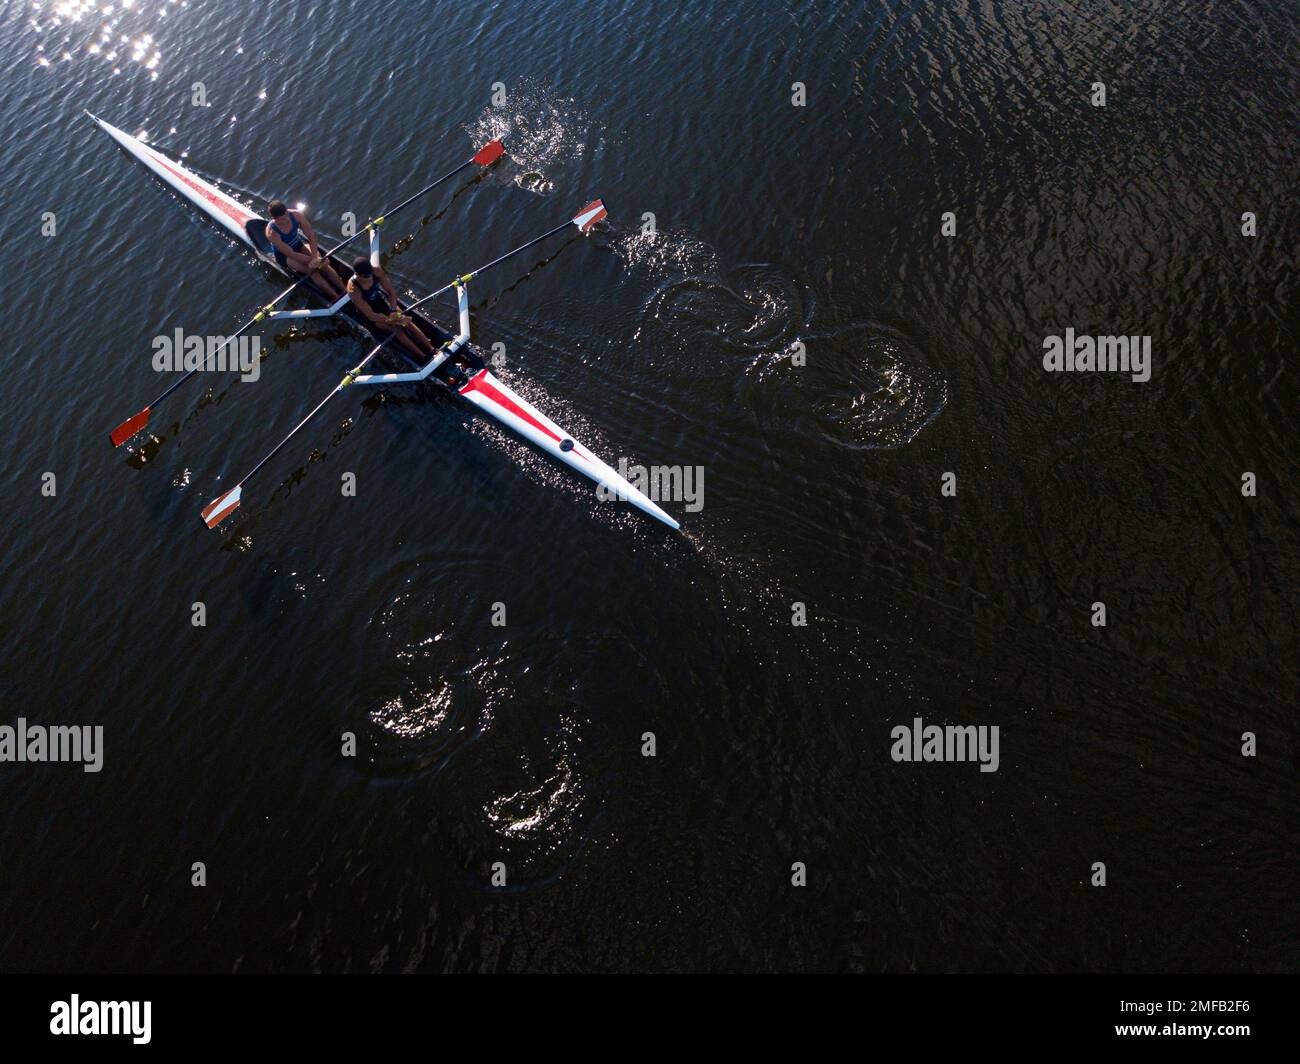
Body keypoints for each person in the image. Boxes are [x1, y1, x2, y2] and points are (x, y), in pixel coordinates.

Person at [346, 257, 435, 360]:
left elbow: (391, 291)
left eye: (370, 273)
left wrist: (393, 311)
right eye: (366, 276)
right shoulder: (353, 289)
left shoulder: (376, 270)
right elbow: (370, 315)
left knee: (406, 320)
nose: (370, 277)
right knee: (396, 329)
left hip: (381, 302)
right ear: (357, 274)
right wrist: (392, 320)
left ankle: (432, 349)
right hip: (371, 315)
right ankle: (423, 357)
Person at [264, 200, 344, 299]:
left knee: (323, 264)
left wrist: (316, 258)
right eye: (283, 219)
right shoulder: (272, 233)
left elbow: (311, 236)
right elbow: (291, 254)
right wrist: (313, 262)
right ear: (275, 219)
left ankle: (345, 290)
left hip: (298, 244)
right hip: (285, 256)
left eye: (287, 215)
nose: (287, 219)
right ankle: (336, 297)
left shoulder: (296, 215)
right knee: (312, 271)